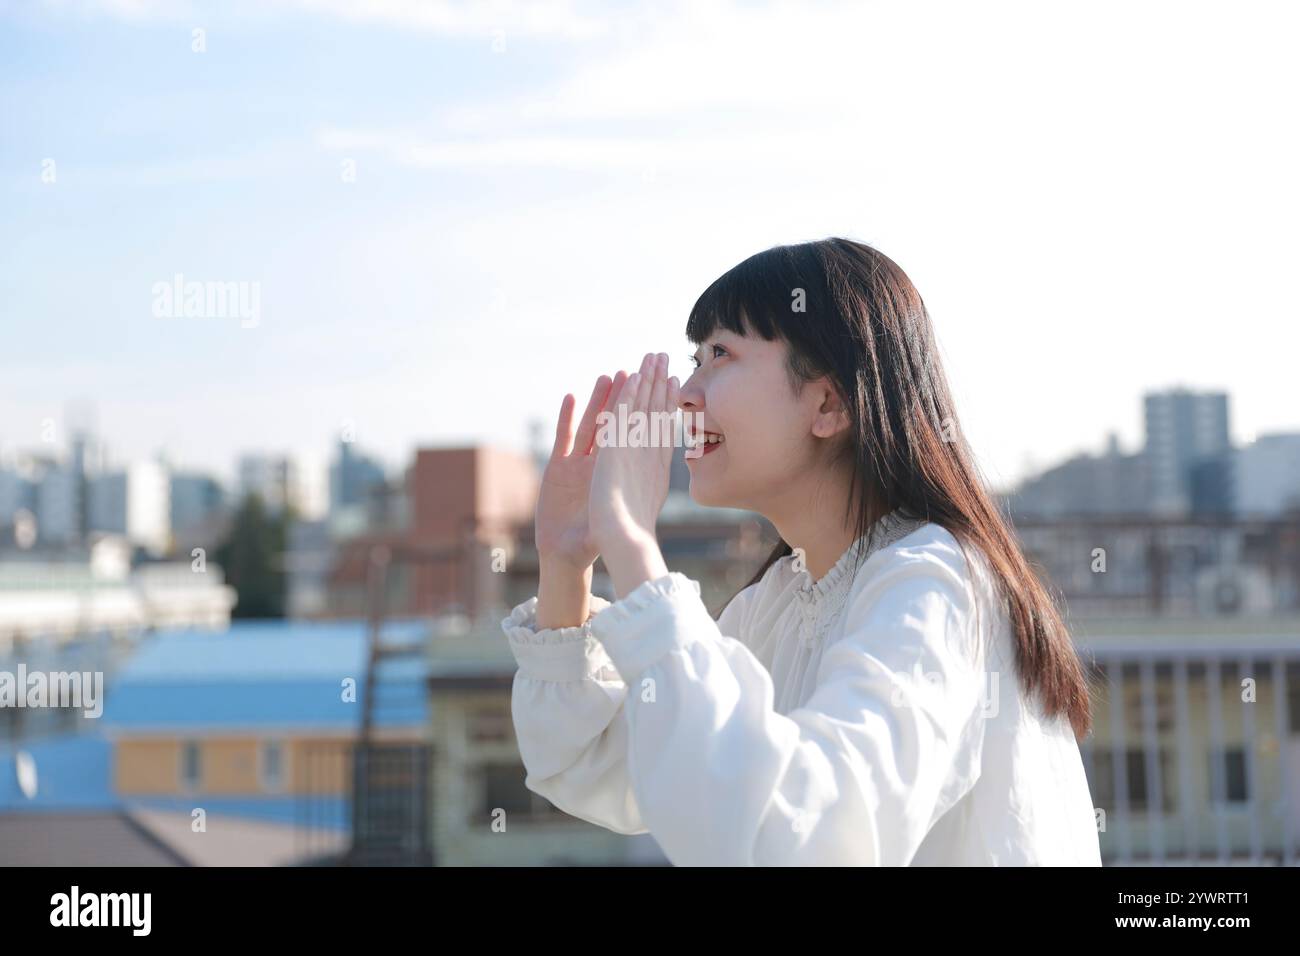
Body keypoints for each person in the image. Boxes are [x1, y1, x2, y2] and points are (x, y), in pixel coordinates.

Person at [502, 237, 1102, 866]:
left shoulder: (932, 582)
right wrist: (568, 564)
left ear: (828, 402)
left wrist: (631, 537)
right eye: (694, 358)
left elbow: (811, 839)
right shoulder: (780, 602)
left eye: (720, 354)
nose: (685, 391)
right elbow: (598, 766)